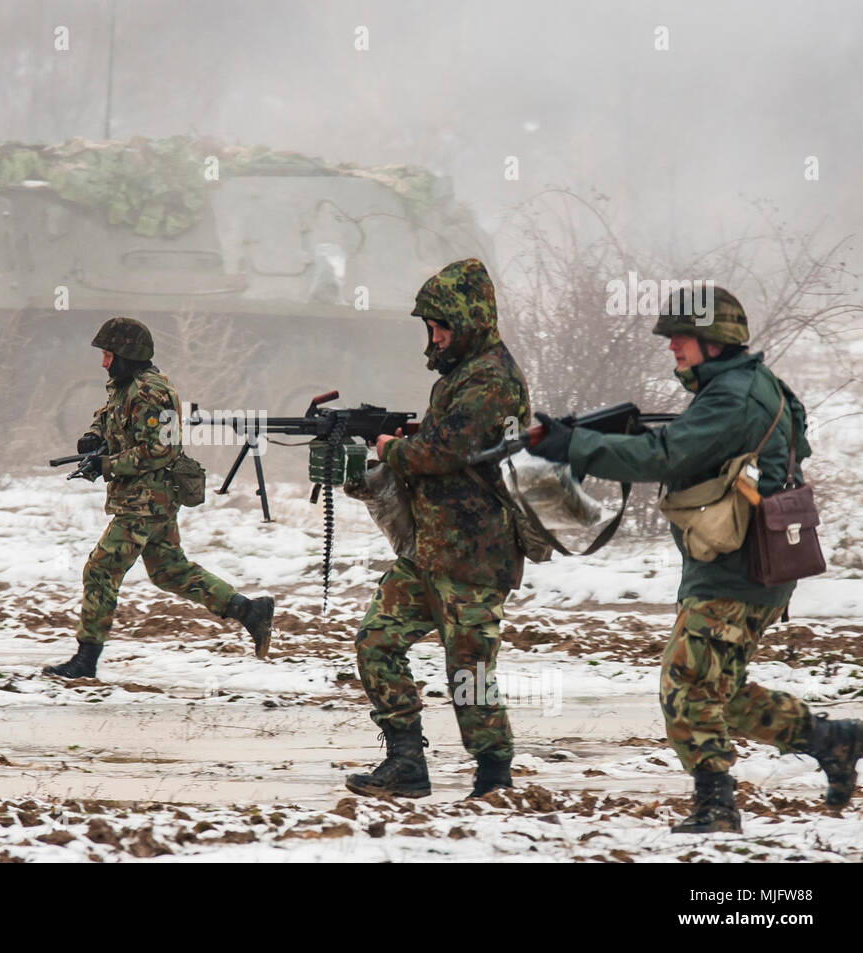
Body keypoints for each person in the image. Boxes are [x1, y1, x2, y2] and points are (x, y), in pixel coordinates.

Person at [530, 286, 863, 832]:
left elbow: (665, 457)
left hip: (735, 571)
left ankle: (716, 805)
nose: (672, 348)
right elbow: (722, 454)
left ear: (715, 341)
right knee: (718, 692)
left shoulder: (733, 397)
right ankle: (832, 739)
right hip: (752, 568)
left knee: (685, 686)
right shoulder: (753, 387)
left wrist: (577, 445)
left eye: (681, 338)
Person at [346, 258, 531, 799]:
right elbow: (447, 436)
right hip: (429, 551)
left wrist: (393, 448)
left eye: (441, 327)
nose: (434, 338)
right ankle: (406, 762)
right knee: (376, 640)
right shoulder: (463, 376)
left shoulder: (492, 378)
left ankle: (494, 778)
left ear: (468, 321)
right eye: (429, 328)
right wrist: (413, 433)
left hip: (475, 556)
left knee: (469, 673)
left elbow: (449, 450)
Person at [44, 316, 274, 678]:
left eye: (108, 354)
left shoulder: (153, 391)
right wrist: (92, 439)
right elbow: (107, 419)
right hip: (144, 498)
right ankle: (250, 611)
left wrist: (107, 465)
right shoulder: (124, 385)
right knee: (170, 571)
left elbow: (159, 452)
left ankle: (85, 661)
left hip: (149, 500)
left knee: (101, 569)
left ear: (127, 354)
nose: (103, 362)